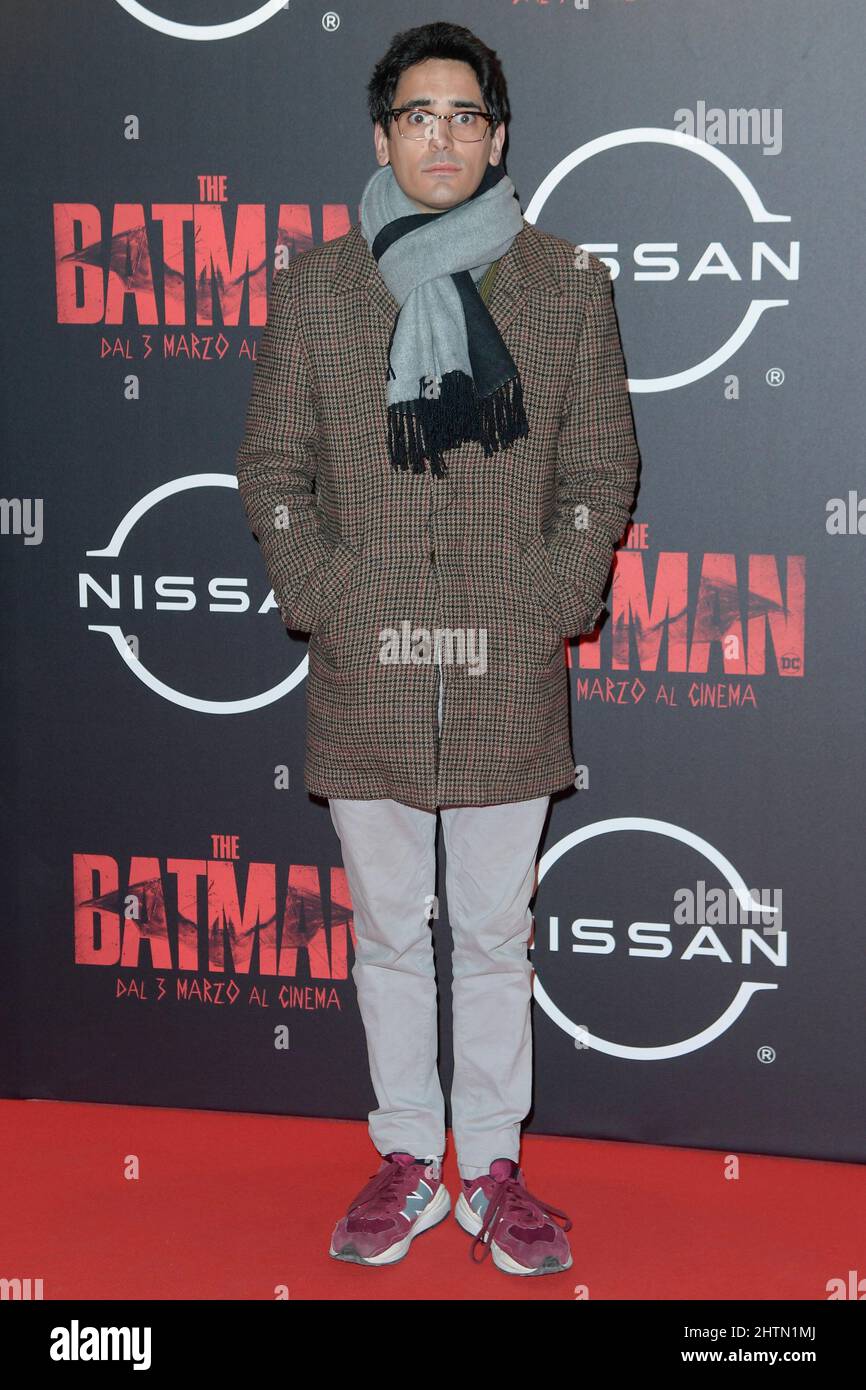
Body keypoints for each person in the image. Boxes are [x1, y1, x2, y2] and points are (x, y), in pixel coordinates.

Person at [235, 20, 639, 1277]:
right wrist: (328, 596)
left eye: (466, 115)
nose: (444, 137)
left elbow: (599, 468)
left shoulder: (565, 282)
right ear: (381, 135)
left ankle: (496, 1169)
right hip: (366, 663)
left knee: (493, 934)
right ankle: (409, 1156)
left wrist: (549, 600)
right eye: (419, 115)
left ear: (498, 135)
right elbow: (272, 471)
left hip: (509, 662)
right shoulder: (314, 287)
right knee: (389, 933)